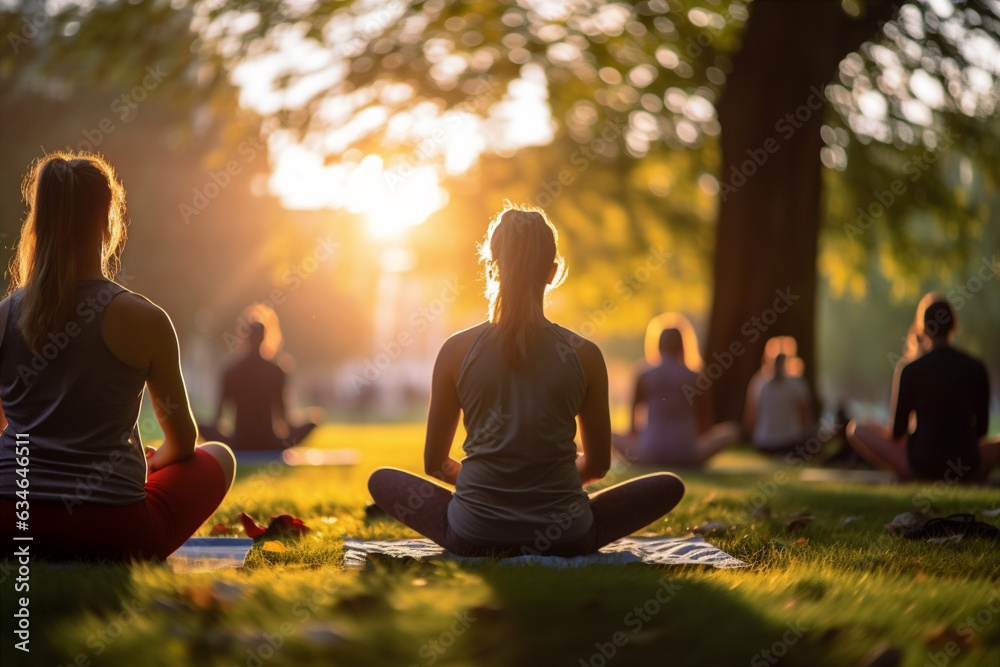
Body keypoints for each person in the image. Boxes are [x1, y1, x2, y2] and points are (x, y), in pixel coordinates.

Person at [367, 203, 685, 557]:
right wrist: (539, 486)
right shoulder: (586, 355)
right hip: (565, 536)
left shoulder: (455, 350)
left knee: (381, 480)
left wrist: (493, 488)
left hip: (475, 535)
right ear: (551, 272)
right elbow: (597, 465)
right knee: (668, 486)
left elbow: (435, 464)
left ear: (492, 268)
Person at [0, 152, 236, 561]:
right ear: (109, 221)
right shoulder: (145, 318)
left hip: (11, 526)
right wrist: (152, 461)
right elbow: (182, 442)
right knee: (218, 456)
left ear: (39, 222)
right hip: (116, 532)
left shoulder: (5, 316)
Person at [846, 297, 999, 480]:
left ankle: (907, 475)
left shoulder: (910, 369)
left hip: (921, 465)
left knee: (857, 429)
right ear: (954, 326)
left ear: (923, 328)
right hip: (967, 463)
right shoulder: (976, 367)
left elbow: (897, 432)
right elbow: (981, 431)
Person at [612, 323, 740, 466]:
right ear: (683, 345)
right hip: (686, 454)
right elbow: (705, 425)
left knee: (609, 434)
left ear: (658, 345)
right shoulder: (696, 376)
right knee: (732, 431)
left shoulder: (644, 374)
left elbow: (632, 428)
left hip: (649, 452)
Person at [199, 310, 317, 452]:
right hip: (270, 443)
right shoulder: (276, 370)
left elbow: (217, 419)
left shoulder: (230, 370)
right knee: (314, 421)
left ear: (245, 337)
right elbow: (284, 419)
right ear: (265, 338)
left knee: (196, 425)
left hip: (238, 443)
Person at [745, 353, 813, 454]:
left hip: (763, 443)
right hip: (790, 442)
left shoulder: (762, 386)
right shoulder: (797, 385)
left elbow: (750, 419)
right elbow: (805, 417)